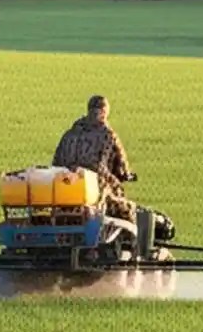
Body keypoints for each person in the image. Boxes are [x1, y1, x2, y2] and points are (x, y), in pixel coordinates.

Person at [52, 95, 175, 241]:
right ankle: (134, 242)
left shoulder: (69, 134)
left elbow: (55, 163)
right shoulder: (108, 134)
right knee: (124, 209)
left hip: (64, 190)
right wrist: (126, 175)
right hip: (94, 188)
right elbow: (122, 167)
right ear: (104, 111)